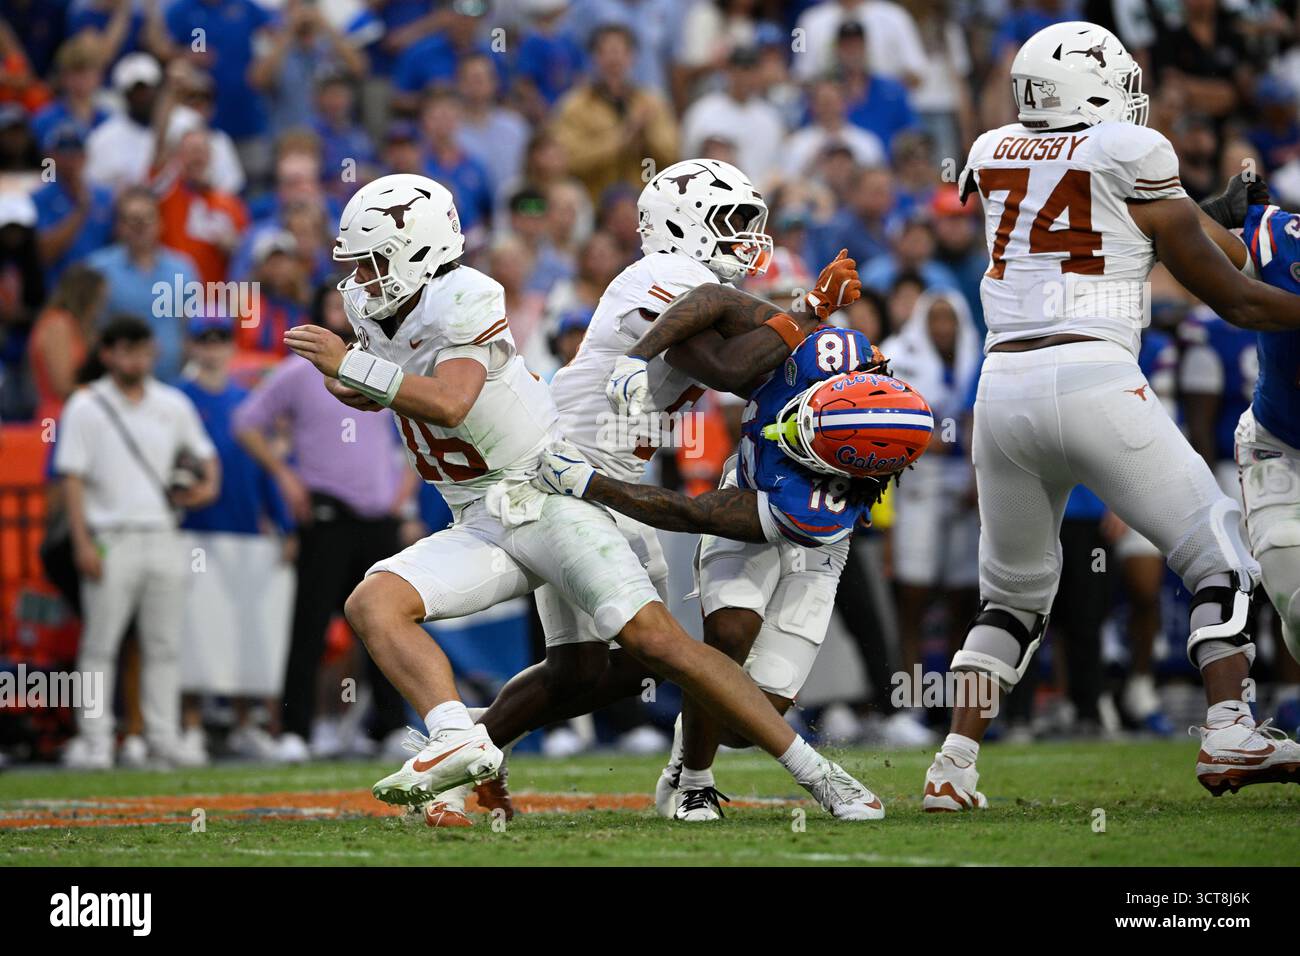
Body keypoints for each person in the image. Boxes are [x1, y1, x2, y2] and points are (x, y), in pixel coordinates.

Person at [283, 172, 884, 823]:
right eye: (733, 219)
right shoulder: (655, 275)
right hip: (532, 491)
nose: (361, 283)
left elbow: (737, 351)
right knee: (617, 659)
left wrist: (812, 324)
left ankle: (793, 774)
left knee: (632, 660)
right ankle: (464, 747)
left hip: (558, 486)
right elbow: (730, 348)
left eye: (371, 267)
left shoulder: (465, 294)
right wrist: (351, 369)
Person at [922, 21, 1300, 812]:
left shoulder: (991, 151)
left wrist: (1198, 212)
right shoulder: (1133, 156)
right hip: (1093, 376)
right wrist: (1204, 222)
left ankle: (953, 765)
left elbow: (1082, 203)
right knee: (1219, 550)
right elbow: (1229, 296)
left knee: (1012, 599)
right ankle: (1230, 723)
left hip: (1003, 389)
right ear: (1091, 89)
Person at [535, 275, 923, 821]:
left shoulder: (816, 503)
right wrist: (637, 357)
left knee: (747, 722)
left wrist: (589, 484)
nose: (794, 431)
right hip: (744, 483)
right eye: (810, 418)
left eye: (812, 438)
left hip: (805, 540)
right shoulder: (826, 352)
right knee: (727, 633)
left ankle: (688, 745)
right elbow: (713, 299)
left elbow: (688, 512)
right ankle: (694, 779)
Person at [233, 281, 413, 763]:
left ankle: (390, 726)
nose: (340, 313)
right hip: (327, 515)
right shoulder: (295, 373)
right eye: (332, 304)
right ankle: (294, 729)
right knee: (308, 627)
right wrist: (285, 478)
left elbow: (415, 429)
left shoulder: (379, 368)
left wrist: (404, 496)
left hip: (379, 519)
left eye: (347, 306)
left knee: (387, 625)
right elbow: (247, 422)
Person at [54, 316, 219, 769]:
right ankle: (95, 739)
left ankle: (162, 738)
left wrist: (206, 489)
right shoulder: (86, 405)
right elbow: (72, 478)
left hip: (164, 532)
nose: (137, 360)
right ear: (107, 354)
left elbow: (207, 456)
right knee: (100, 644)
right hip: (112, 536)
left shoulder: (171, 403)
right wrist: (82, 541)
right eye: (126, 351)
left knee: (164, 644)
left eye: (143, 351)